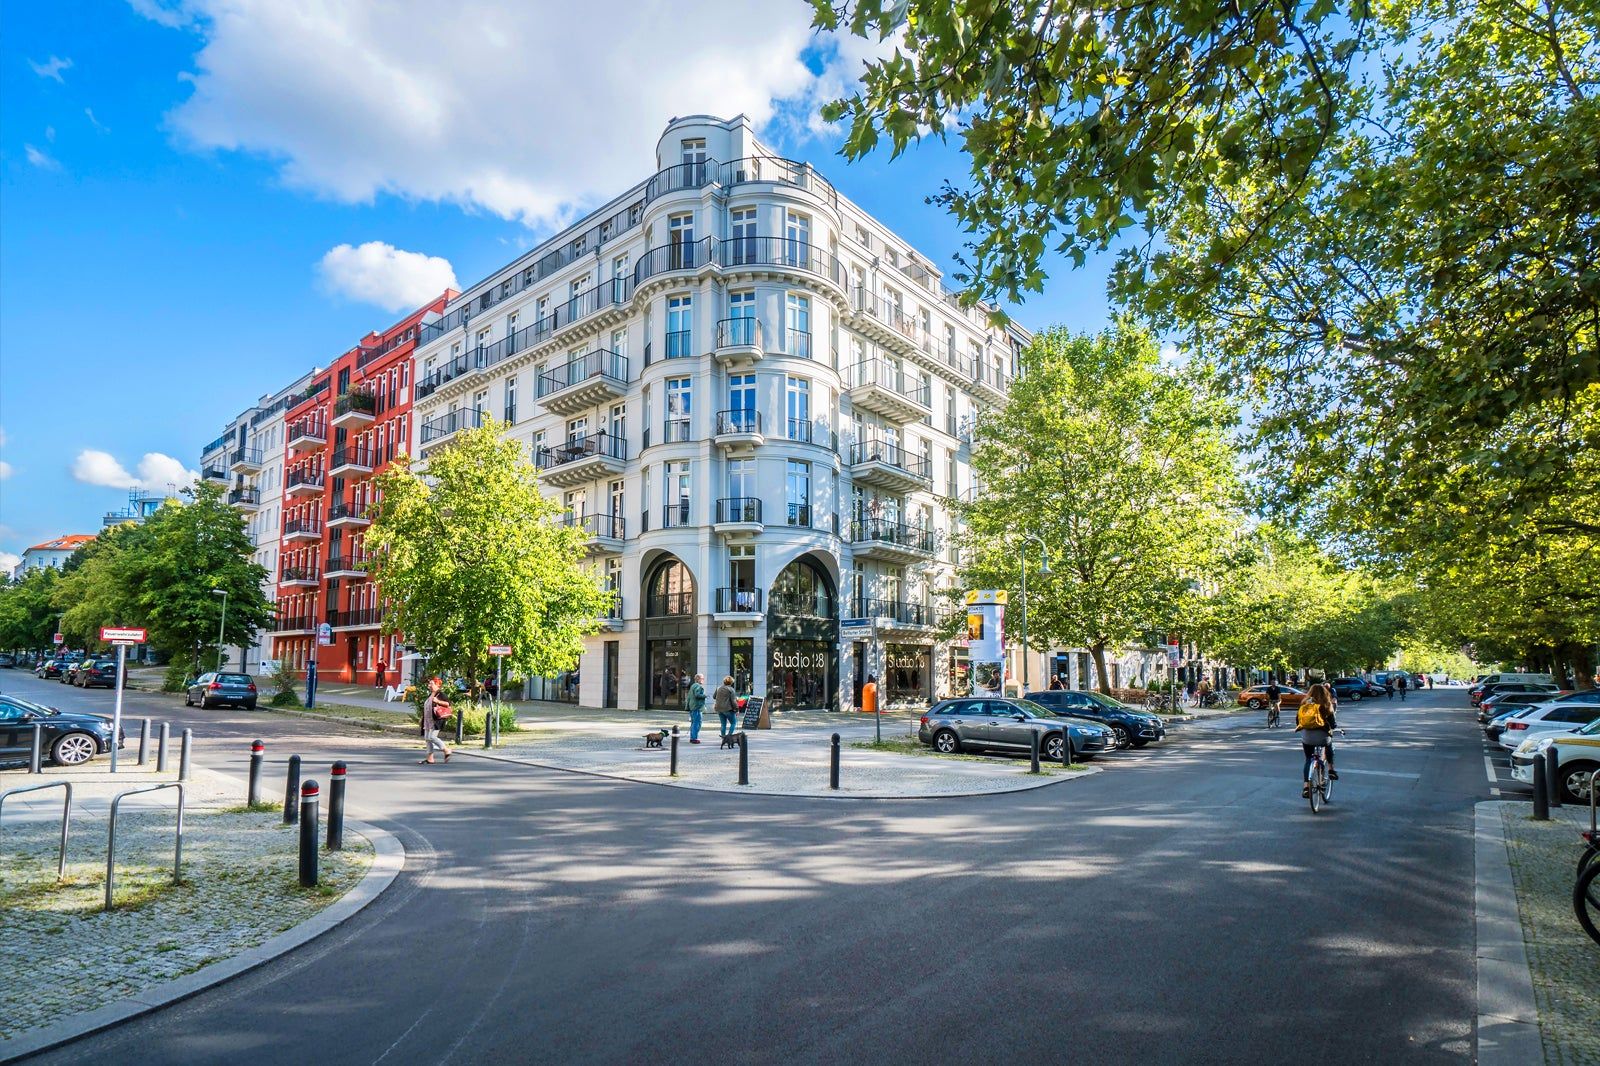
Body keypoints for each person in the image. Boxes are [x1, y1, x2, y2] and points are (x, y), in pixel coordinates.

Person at [1296, 682, 1338, 796]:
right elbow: (1333, 724)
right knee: (1329, 745)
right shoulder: (1326, 704)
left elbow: (1298, 721)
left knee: (1308, 759)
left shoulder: (1304, 703)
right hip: (1322, 736)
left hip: (1307, 737)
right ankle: (1331, 769)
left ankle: (1306, 786)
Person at [420, 677, 453, 764]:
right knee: (427, 738)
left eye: (431, 684)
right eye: (429, 684)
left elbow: (448, 704)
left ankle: (446, 750)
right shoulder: (431, 694)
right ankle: (430, 758)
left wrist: (438, 701)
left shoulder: (440, 694)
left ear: (437, 684)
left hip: (437, 721)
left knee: (432, 737)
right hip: (428, 720)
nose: (429, 685)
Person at [687, 673, 707, 743]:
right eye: (702, 678)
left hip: (692, 707)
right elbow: (697, 695)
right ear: (698, 679)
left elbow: (689, 697)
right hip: (697, 707)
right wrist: (704, 695)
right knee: (697, 723)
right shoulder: (698, 686)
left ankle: (693, 737)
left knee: (694, 722)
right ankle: (694, 738)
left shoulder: (693, 686)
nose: (703, 680)